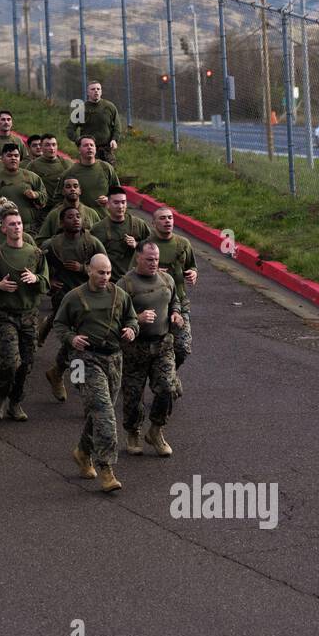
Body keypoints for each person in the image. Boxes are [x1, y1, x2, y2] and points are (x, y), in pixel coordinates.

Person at [54, 253, 137, 492]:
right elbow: (59, 324)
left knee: (100, 412)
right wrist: (72, 338)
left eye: (109, 272)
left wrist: (132, 329)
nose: (105, 277)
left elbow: (131, 318)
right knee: (104, 414)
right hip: (84, 361)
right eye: (101, 272)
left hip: (113, 358)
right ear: (89, 271)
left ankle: (82, 451)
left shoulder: (119, 295)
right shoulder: (75, 297)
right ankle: (107, 470)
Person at [0, 208, 50, 422]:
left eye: (19, 223)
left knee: (27, 363)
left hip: (29, 315)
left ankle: (15, 402)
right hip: (6, 315)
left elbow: (46, 284)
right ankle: (1, 397)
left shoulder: (35, 253)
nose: (17, 227)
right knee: (11, 361)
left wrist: (36, 279)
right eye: (12, 224)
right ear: (4, 228)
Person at [119, 241, 183, 456]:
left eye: (156, 259)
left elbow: (175, 301)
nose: (154, 263)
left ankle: (156, 430)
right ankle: (133, 432)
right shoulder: (125, 284)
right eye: (149, 259)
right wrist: (137, 318)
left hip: (163, 345)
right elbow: (115, 318)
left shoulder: (167, 279)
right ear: (138, 257)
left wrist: (176, 314)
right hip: (135, 349)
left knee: (167, 388)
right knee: (133, 395)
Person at [41, 206, 108, 400]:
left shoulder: (92, 243)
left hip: (89, 299)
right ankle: (77, 382)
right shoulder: (52, 244)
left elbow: (104, 266)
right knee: (76, 342)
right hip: (64, 299)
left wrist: (83, 268)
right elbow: (39, 265)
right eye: (70, 217)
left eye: (78, 216)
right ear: (62, 222)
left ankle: (59, 372)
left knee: (80, 341)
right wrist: (49, 281)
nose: (76, 219)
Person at [147, 206, 198, 371]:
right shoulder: (147, 246)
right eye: (162, 218)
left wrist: (193, 273)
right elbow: (132, 273)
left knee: (182, 347)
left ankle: (168, 373)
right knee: (150, 350)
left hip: (180, 302)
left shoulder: (183, 244)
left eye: (169, 217)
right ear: (154, 223)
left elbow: (192, 266)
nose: (167, 221)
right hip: (154, 304)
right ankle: (160, 375)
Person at [92, 186, 152, 280]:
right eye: (116, 203)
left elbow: (153, 247)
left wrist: (137, 244)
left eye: (123, 202)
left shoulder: (138, 224)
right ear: (108, 205)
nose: (120, 206)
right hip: (109, 281)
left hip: (135, 280)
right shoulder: (98, 229)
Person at [65, 80, 121, 164]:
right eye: (93, 89)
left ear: (101, 91)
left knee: (110, 174)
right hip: (89, 150)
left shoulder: (110, 107)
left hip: (106, 150)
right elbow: (70, 129)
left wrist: (114, 139)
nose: (96, 91)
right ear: (88, 92)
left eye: (98, 89)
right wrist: (79, 141)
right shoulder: (81, 109)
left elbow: (117, 126)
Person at [65, 136, 120, 208]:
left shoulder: (106, 168)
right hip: (82, 217)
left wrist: (108, 199)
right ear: (79, 149)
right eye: (85, 145)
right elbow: (59, 197)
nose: (89, 147)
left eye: (92, 145)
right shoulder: (71, 172)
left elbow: (118, 192)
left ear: (95, 149)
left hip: (104, 217)